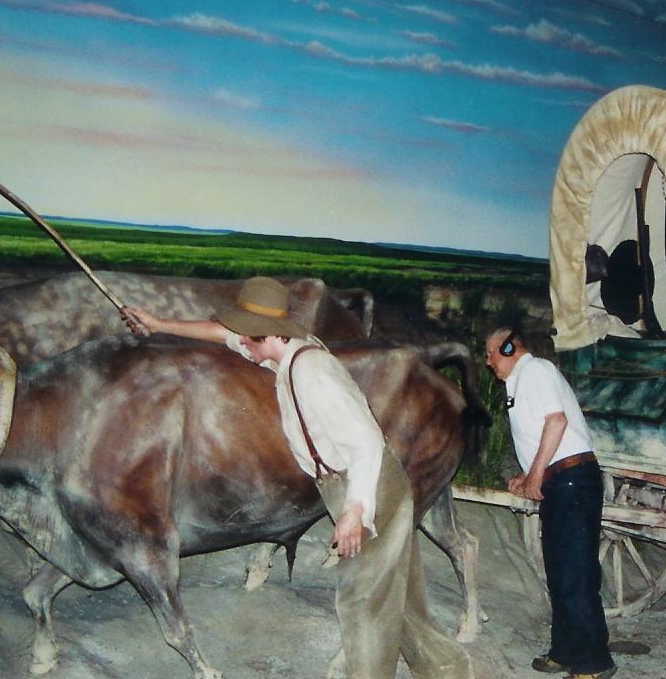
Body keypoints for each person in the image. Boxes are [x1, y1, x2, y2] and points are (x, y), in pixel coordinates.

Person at [125, 277, 473, 679]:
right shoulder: (283, 351)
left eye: (246, 337)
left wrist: (354, 511)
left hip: (368, 485)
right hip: (352, 483)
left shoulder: (311, 371)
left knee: (363, 602)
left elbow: (366, 442)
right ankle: (451, 671)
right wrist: (159, 323)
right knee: (403, 601)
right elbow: (222, 334)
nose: (242, 346)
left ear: (263, 333)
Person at [484, 326, 616, 679]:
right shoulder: (521, 381)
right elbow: (538, 434)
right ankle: (565, 651)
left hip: (573, 478)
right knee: (559, 574)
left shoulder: (536, 370)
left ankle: (594, 663)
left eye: (491, 353)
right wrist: (527, 475)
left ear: (510, 348)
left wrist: (536, 474)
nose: (488, 362)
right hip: (561, 480)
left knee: (575, 573)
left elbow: (556, 423)